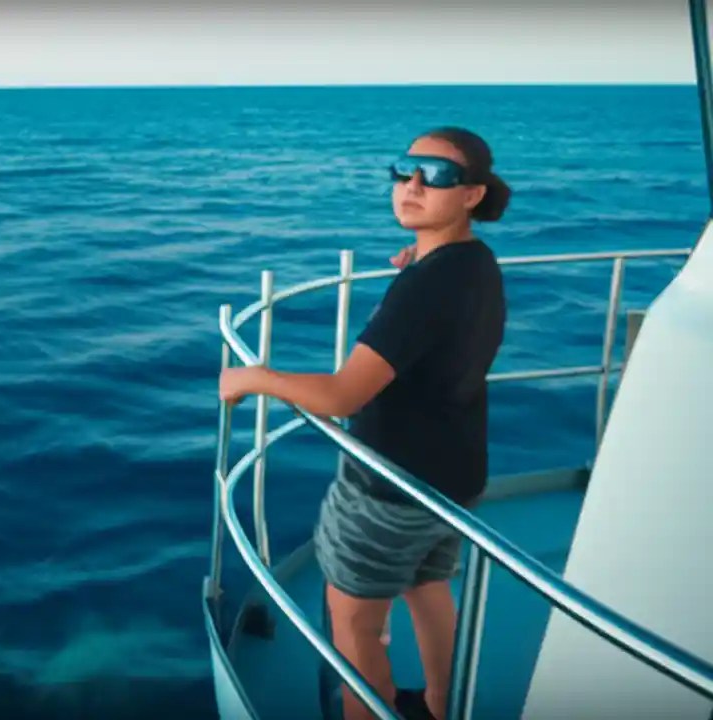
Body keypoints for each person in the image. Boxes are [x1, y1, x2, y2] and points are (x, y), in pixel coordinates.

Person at [218, 126, 509, 720]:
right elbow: (442, 305)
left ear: (472, 195)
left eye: (439, 175)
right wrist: (418, 262)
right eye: (406, 170)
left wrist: (252, 379)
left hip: (389, 492)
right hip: (453, 479)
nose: (414, 184)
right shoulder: (473, 262)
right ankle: (436, 703)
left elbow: (343, 394)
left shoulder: (426, 287)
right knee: (428, 588)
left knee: (354, 626)